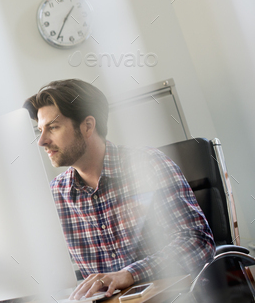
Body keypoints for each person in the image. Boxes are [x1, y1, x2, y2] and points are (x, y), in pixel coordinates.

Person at [23, 79, 215, 300]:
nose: (42, 141)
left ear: (87, 126)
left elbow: (198, 241)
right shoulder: (56, 196)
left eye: (53, 127)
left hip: (172, 296)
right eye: (40, 130)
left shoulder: (148, 166)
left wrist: (129, 274)